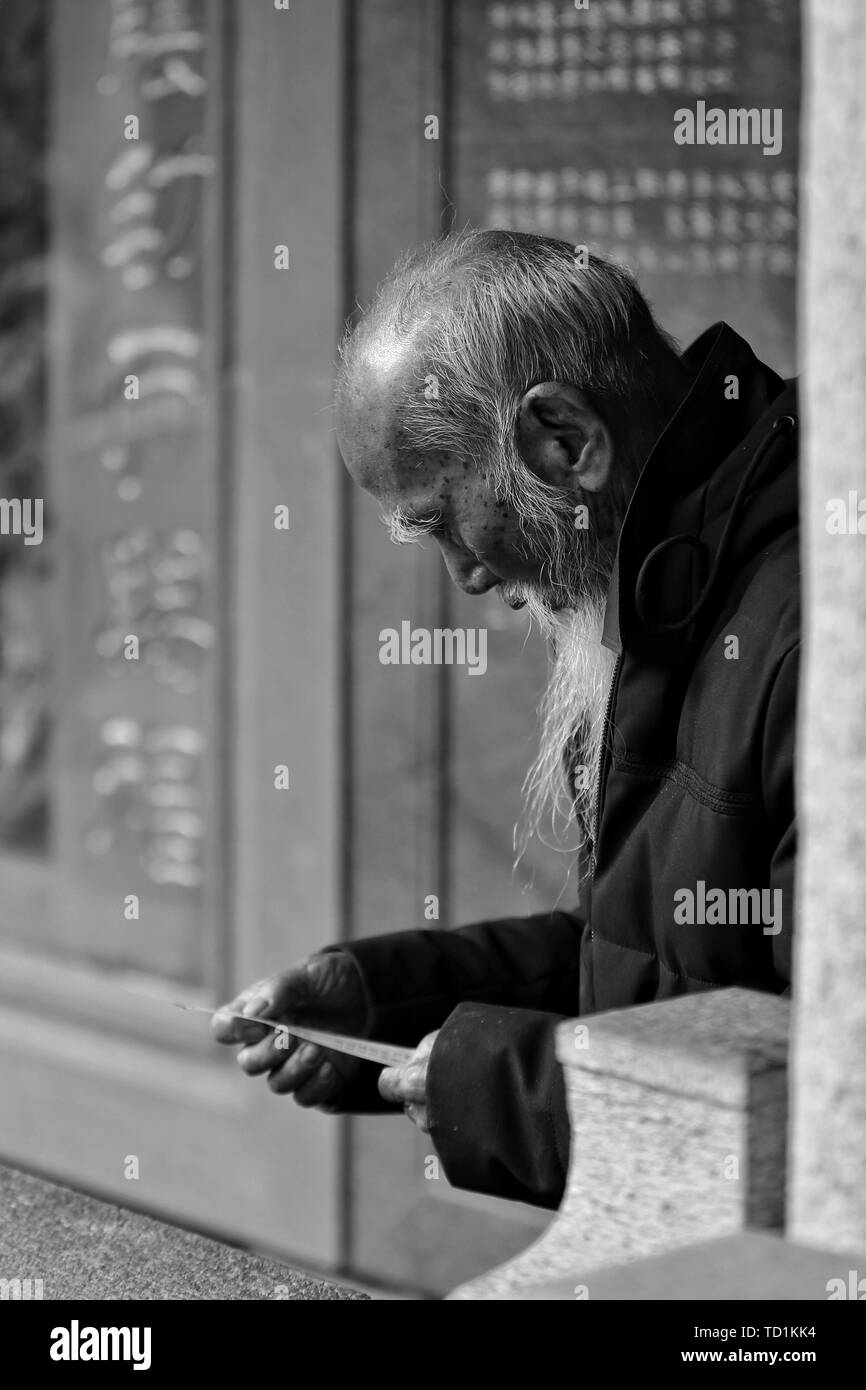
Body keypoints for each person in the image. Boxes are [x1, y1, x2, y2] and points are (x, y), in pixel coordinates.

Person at [213, 230, 798, 1208]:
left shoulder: (807, 630)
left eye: (445, 522)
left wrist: (497, 1084)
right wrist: (385, 1003)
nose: (469, 577)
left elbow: (827, 1087)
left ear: (563, 440)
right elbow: (656, 957)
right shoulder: (679, 579)